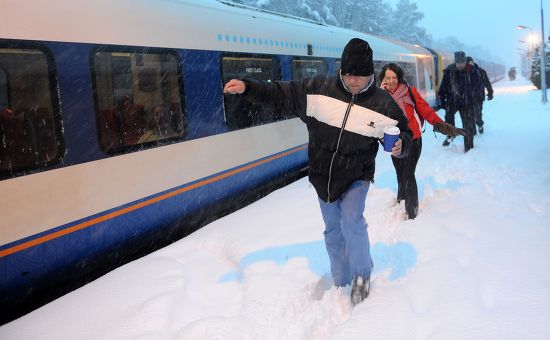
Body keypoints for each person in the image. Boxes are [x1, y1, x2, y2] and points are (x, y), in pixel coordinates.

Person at [223, 38, 413, 305]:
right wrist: (247, 87)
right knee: (333, 231)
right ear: (341, 70)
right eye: (348, 74)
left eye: (360, 75)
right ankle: (341, 279)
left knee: (352, 222)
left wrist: (401, 146)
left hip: (357, 175)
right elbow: (280, 93)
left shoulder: (383, 103)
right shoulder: (318, 90)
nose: (353, 81)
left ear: (371, 73)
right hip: (322, 175)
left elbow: (405, 135)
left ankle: (360, 276)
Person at [380, 63, 465, 219]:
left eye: (394, 77)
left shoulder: (410, 92)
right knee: (400, 172)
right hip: (392, 140)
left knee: (408, 173)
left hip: (413, 139)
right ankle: (401, 198)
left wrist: (446, 127)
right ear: (383, 78)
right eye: (388, 78)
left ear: (399, 77)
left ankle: (412, 211)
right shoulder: (380, 95)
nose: (391, 81)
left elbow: (426, 111)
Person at [437, 51, 480, 152]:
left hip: (467, 102)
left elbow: (478, 85)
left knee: (468, 124)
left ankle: (468, 147)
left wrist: (475, 99)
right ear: (455, 62)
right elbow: (443, 87)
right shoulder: (449, 71)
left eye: (462, 62)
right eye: (458, 62)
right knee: (448, 118)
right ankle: (450, 135)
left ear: (465, 61)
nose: (460, 65)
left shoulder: (472, 71)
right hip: (453, 101)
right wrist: (442, 100)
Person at [466, 56, 493, 134]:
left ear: (472, 62)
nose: (469, 64)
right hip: (467, 97)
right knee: (469, 114)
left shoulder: (480, 71)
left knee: (477, 113)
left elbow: (487, 82)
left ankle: (480, 124)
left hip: (478, 96)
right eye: (467, 63)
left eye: (469, 62)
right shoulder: (463, 72)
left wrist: (490, 92)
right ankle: (472, 130)